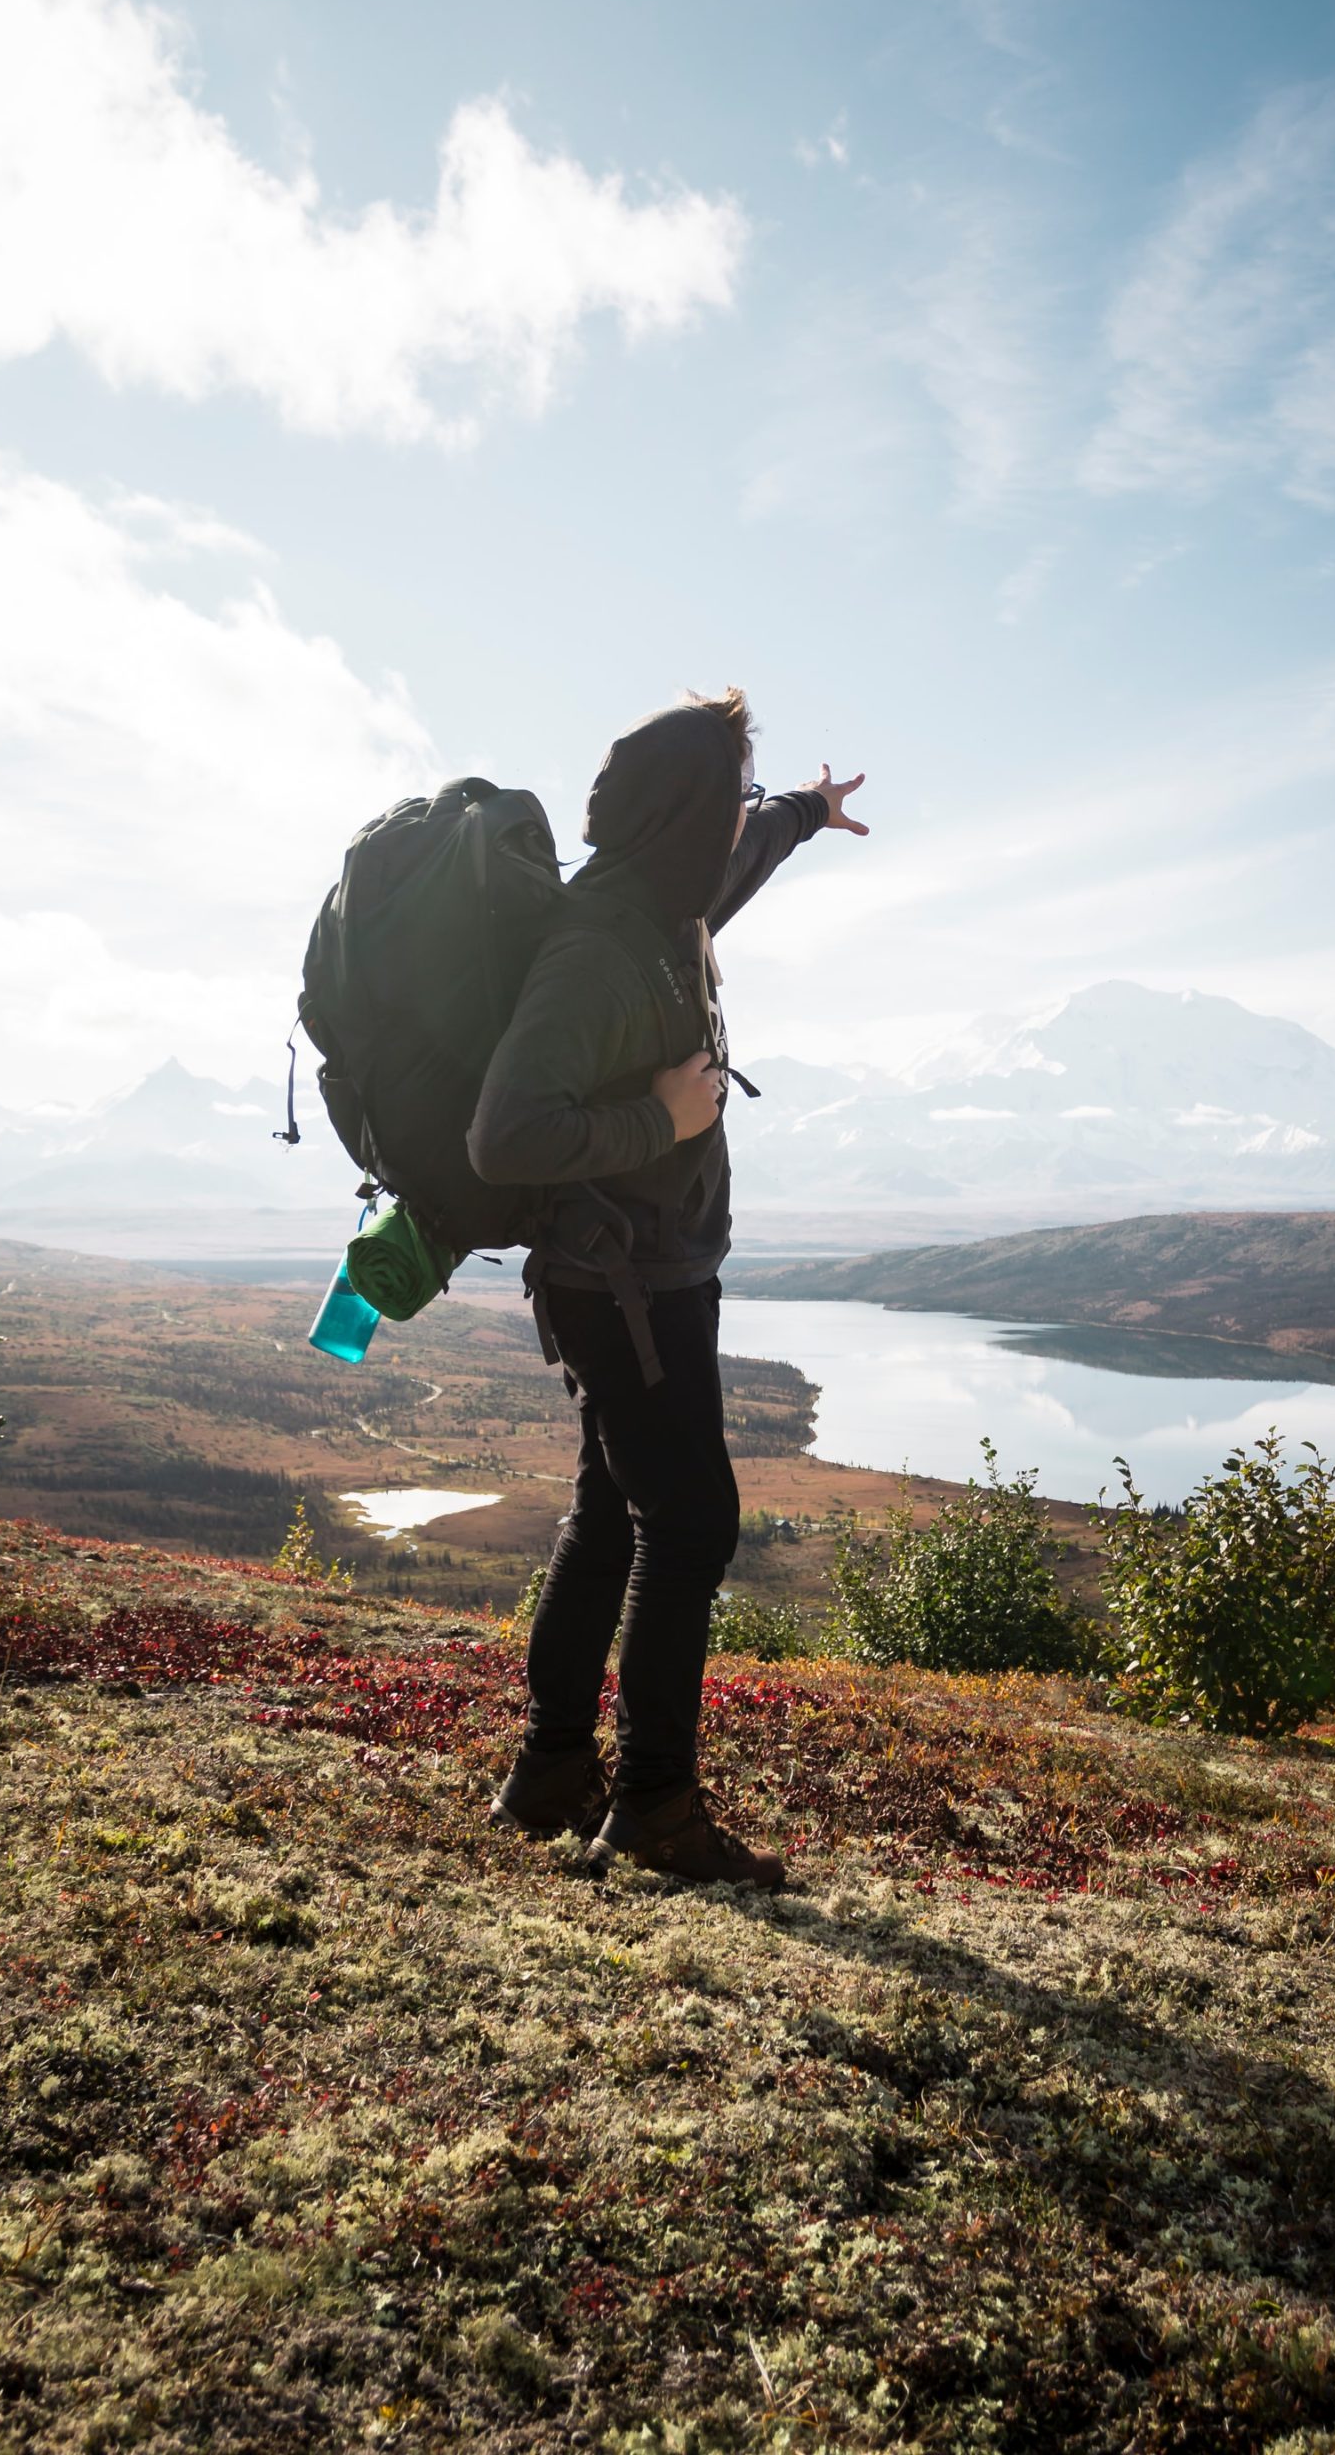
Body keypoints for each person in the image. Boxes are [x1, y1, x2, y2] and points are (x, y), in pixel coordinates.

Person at [467, 691, 867, 1887]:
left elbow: (735, 863)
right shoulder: (600, 949)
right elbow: (503, 1134)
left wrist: (803, 810)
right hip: (627, 1290)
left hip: (646, 1278)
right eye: (732, 797)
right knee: (692, 1525)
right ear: (683, 817)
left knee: (611, 1517)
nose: (738, 820)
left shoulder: (664, 903)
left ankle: (548, 1773)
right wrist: (664, 1115)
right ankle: (651, 1807)